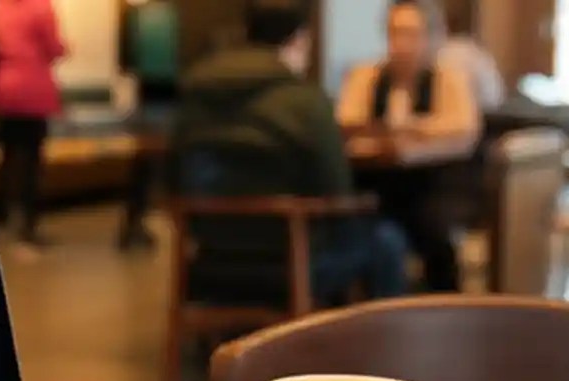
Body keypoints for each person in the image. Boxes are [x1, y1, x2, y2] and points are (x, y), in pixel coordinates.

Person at [169, 0, 407, 308]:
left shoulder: (193, 95)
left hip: (210, 259)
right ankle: (377, 350)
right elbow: (336, 191)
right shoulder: (304, 102)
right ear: (300, 38)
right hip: (293, 262)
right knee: (387, 239)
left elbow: (174, 178)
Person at [337, 0, 479, 292]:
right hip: (375, 185)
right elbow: (348, 123)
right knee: (371, 231)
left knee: (434, 230)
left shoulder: (447, 78)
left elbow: (463, 130)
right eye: (394, 33)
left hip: (433, 185)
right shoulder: (367, 76)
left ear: (431, 36)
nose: (401, 43)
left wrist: (405, 131)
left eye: (411, 33)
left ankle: (445, 308)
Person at [0, 0, 67, 245]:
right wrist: (64, 48)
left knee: (8, 155)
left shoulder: (1, 7)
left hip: (5, 87)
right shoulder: (41, 7)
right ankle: (29, 225)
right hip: (32, 87)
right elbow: (53, 48)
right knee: (33, 159)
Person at [436, 3, 504, 111]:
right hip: (492, 116)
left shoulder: (442, 55)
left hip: (470, 118)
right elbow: (495, 97)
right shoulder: (480, 55)